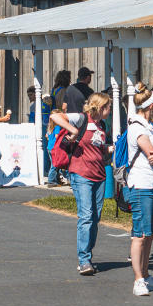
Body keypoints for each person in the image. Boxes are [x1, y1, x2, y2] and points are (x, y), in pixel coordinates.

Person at [51, 93, 113, 275]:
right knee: (86, 216)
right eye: (108, 106)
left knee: (95, 217)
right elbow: (56, 116)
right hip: (81, 174)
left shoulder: (102, 126)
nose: (110, 110)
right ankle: (84, 260)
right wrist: (74, 130)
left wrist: (108, 149)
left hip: (99, 175)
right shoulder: (82, 119)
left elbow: (98, 149)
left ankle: (88, 255)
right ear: (101, 107)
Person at [125, 88, 153, 296]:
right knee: (140, 234)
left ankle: (145, 274)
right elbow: (151, 152)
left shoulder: (149, 126)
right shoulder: (137, 126)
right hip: (141, 184)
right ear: (150, 106)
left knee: (150, 234)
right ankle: (138, 279)